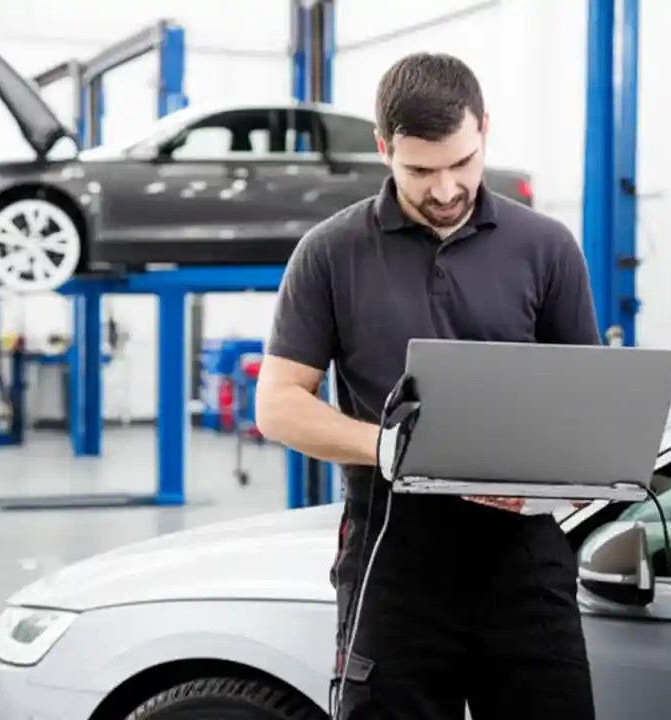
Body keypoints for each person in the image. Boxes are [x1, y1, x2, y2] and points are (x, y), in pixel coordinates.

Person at [255, 53, 601, 719]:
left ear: (484, 131)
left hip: (524, 561)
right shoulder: (330, 253)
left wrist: (567, 475)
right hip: (392, 562)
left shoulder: (546, 247)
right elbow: (278, 404)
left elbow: (585, 404)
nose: (445, 189)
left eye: (462, 163)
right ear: (384, 148)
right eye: (419, 171)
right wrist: (387, 447)